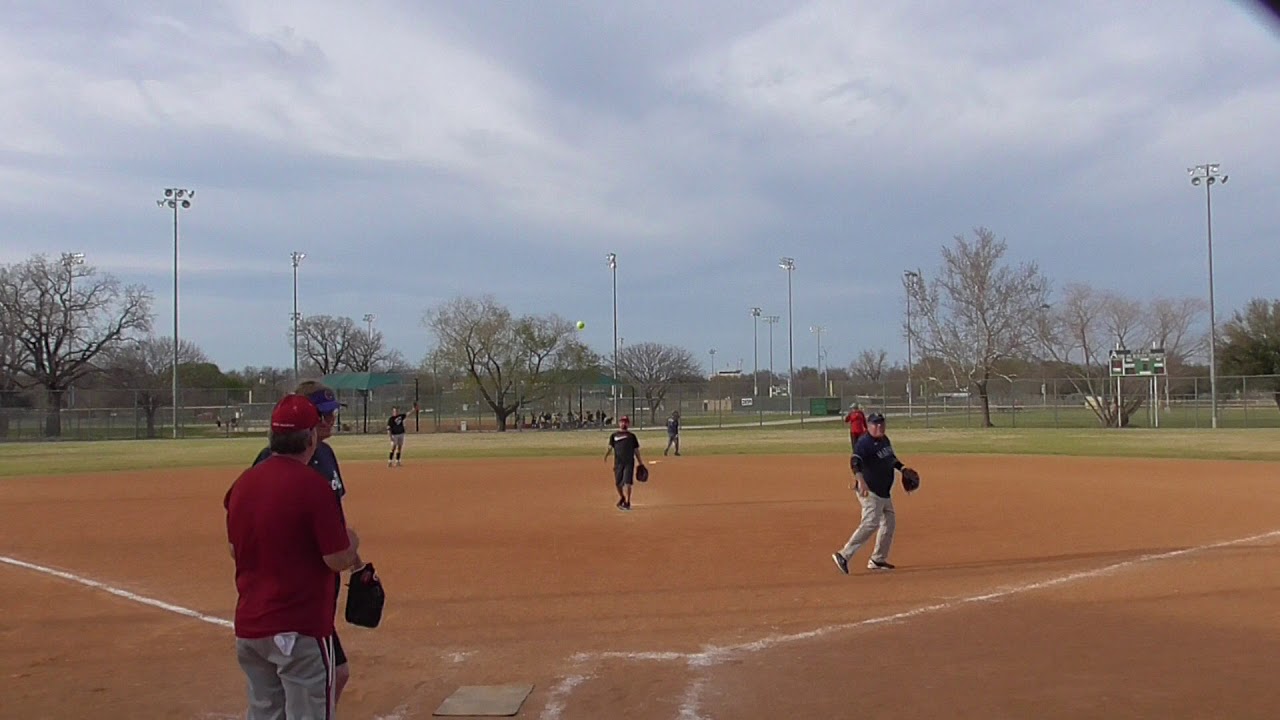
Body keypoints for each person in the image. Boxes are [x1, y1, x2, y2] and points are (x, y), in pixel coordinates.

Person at [225, 395, 363, 719]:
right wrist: (353, 541)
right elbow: (336, 558)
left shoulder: (242, 484)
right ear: (311, 437)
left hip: (250, 629)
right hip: (299, 628)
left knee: (265, 712)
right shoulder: (313, 487)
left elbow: (234, 549)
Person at [832, 412, 907, 573]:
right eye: (875, 424)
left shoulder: (884, 440)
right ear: (869, 425)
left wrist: (902, 468)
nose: (879, 426)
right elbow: (855, 462)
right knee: (870, 523)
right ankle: (844, 555)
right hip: (870, 491)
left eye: (881, 423)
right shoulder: (864, 443)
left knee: (889, 523)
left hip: (884, 492)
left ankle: (877, 559)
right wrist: (860, 480)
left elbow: (891, 458)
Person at [604, 415, 643, 511]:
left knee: (628, 482)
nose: (623, 423)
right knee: (618, 483)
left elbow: (636, 450)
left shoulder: (632, 436)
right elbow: (610, 447)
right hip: (618, 463)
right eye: (622, 421)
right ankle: (622, 497)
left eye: (625, 422)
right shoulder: (614, 435)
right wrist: (606, 455)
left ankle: (628, 502)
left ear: (628, 424)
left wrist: (640, 462)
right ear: (619, 423)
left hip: (629, 462)